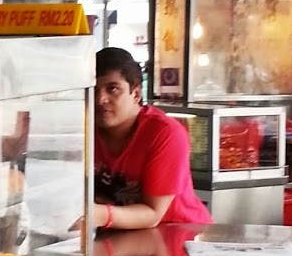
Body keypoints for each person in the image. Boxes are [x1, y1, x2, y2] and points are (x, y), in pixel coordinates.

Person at [90, 48, 210, 228]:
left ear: (136, 94)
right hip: (123, 235)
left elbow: (152, 213)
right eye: (93, 90)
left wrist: (97, 214)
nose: (100, 99)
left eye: (112, 89)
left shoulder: (165, 133)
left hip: (179, 233)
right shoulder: (85, 129)